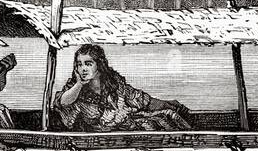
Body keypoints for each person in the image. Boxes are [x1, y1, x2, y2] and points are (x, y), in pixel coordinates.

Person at [53, 44, 192, 132]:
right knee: (152, 126)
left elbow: (142, 99)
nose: (83, 68)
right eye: (79, 64)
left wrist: (170, 104)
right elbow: (63, 102)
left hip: (127, 128)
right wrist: (79, 84)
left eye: (88, 64)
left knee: (169, 115)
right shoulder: (74, 88)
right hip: (102, 140)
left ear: (99, 65)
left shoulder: (114, 84)